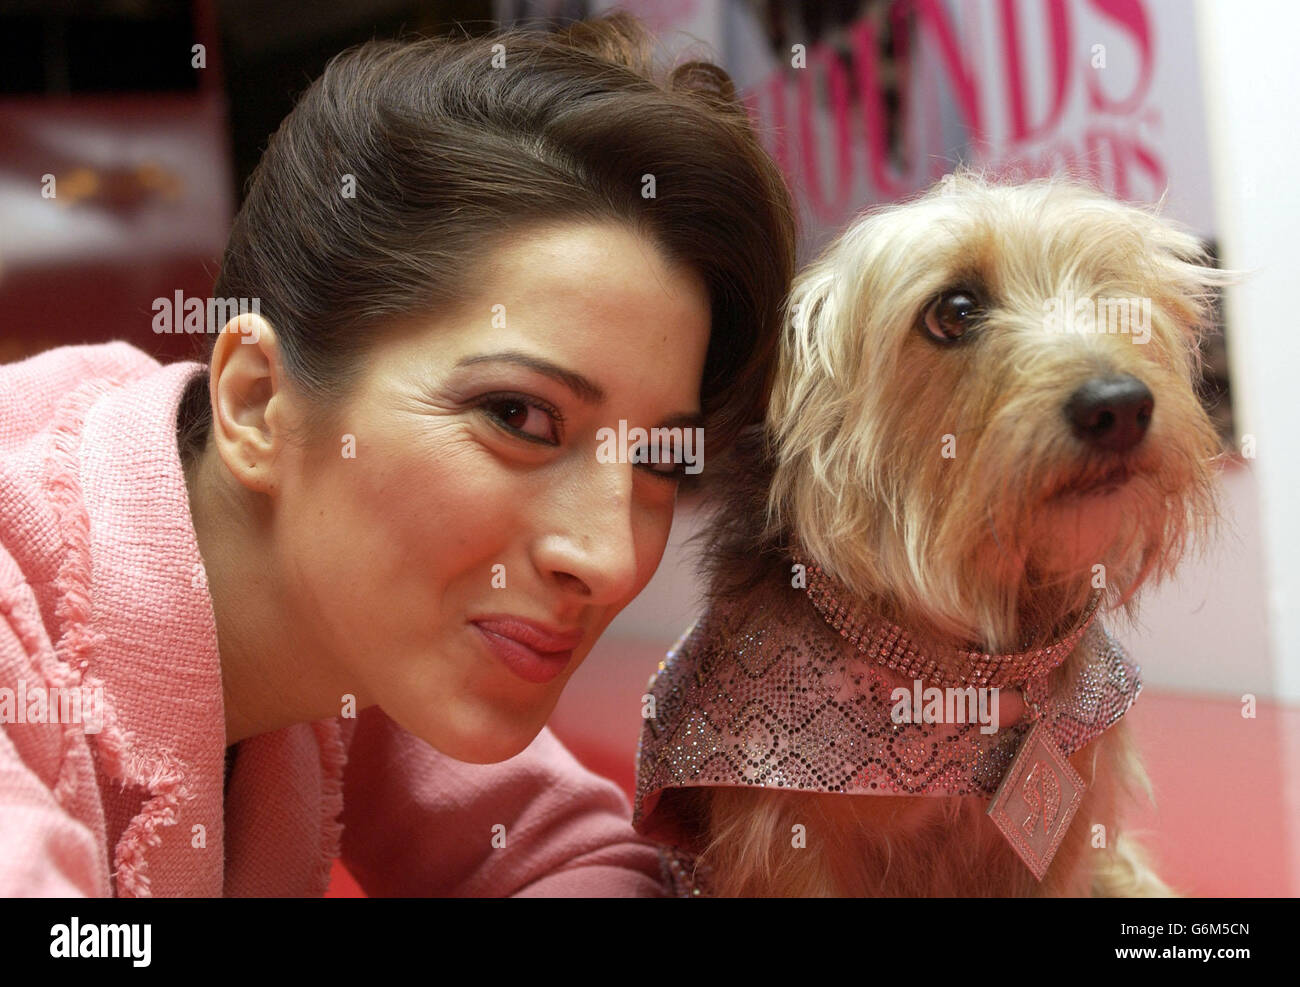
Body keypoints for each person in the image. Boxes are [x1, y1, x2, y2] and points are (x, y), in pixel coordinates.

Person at [0, 12, 795, 896]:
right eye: (519, 416)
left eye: (658, 460)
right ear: (256, 400)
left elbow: (577, 858)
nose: (610, 559)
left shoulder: (346, 595)